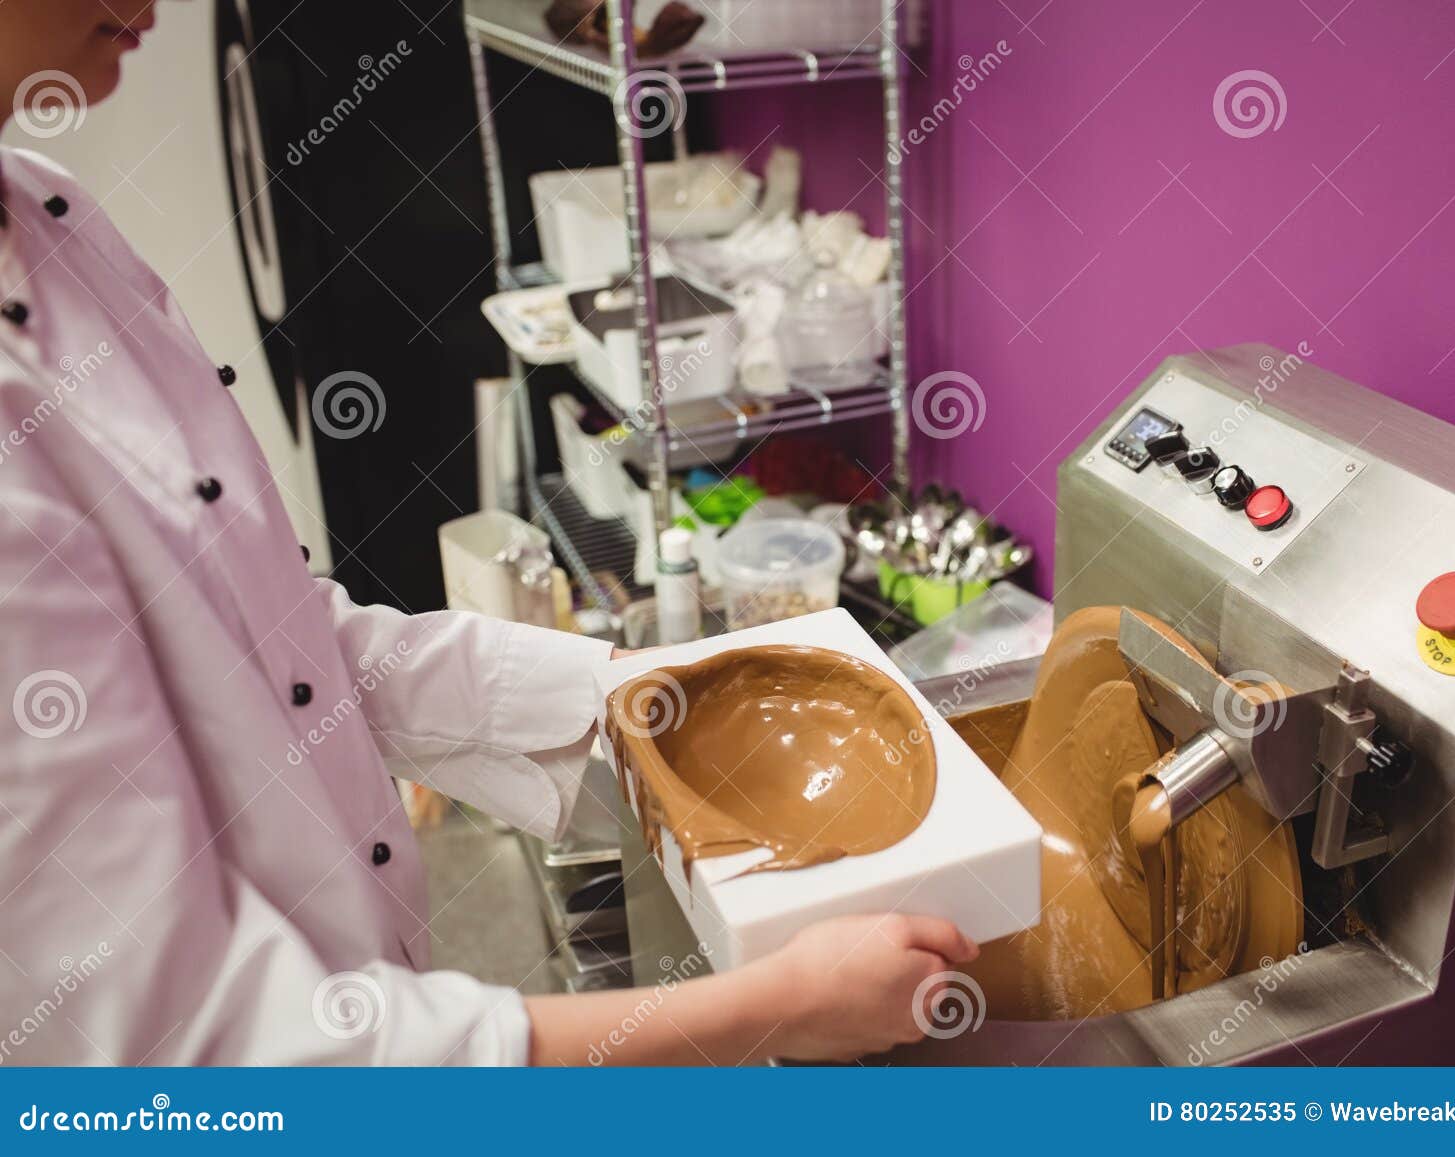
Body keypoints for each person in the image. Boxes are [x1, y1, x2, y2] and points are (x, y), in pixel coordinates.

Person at [0, 0, 976, 1065]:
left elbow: (279, 650)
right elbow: (201, 1057)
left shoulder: (51, 211)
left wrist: (626, 686)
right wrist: (769, 1007)